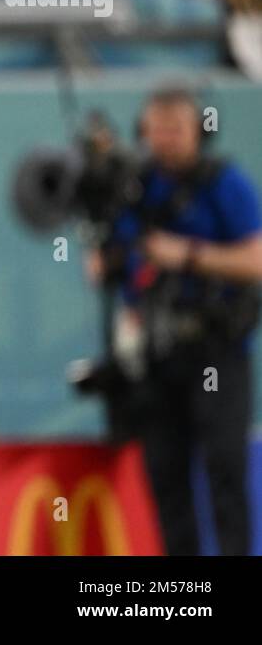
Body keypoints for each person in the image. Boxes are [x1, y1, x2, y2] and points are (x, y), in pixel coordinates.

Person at [93, 86, 262, 555]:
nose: (164, 139)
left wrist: (186, 256)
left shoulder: (224, 183)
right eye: (156, 129)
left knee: (224, 467)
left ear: (201, 131)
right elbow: (117, 255)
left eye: (176, 128)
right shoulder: (135, 186)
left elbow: (256, 260)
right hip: (156, 354)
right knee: (165, 474)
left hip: (217, 351)